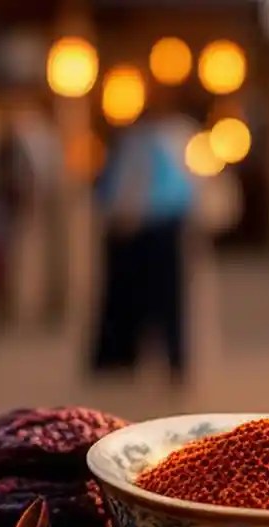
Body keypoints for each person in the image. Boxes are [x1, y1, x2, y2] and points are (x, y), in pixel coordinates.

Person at [92, 87, 198, 381]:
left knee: (165, 300)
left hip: (160, 226)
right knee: (131, 298)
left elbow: (185, 187)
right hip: (137, 226)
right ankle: (123, 356)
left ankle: (169, 359)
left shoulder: (175, 138)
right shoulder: (135, 140)